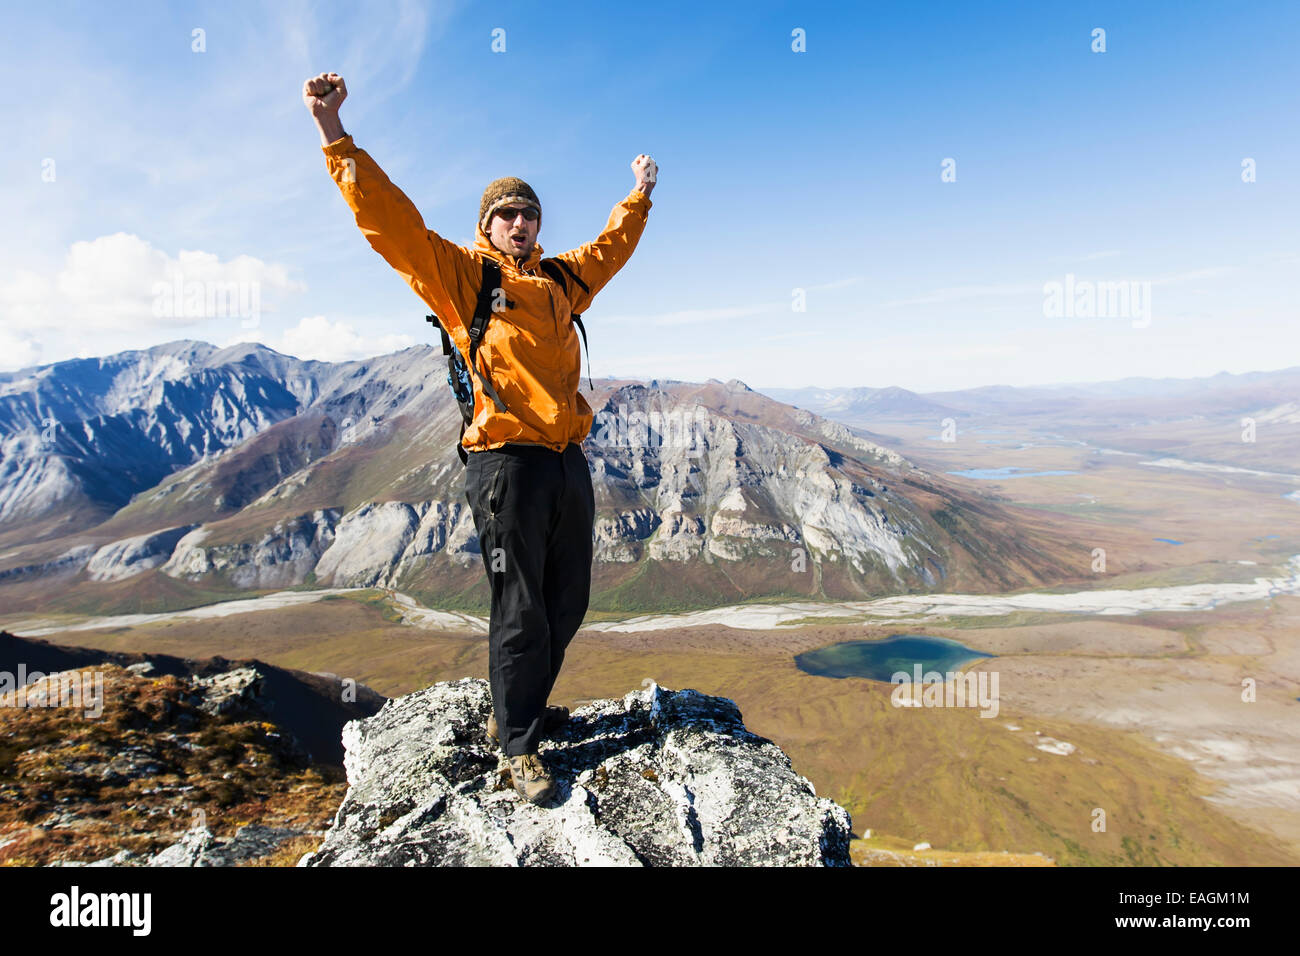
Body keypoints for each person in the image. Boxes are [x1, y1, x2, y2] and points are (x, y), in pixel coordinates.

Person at [302, 72, 656, 805]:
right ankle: (518, 746)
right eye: (506, 214)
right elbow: (390, 224)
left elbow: (611, 249)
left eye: (528, 213)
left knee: (569, 600)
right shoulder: (463, 278)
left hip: (564, 460)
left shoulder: (560, 281)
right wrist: (336, 136)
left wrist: (640, 194)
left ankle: (516, 708)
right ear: (486, 227)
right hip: (504, 465)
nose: (520, 223)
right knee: (519, 604)